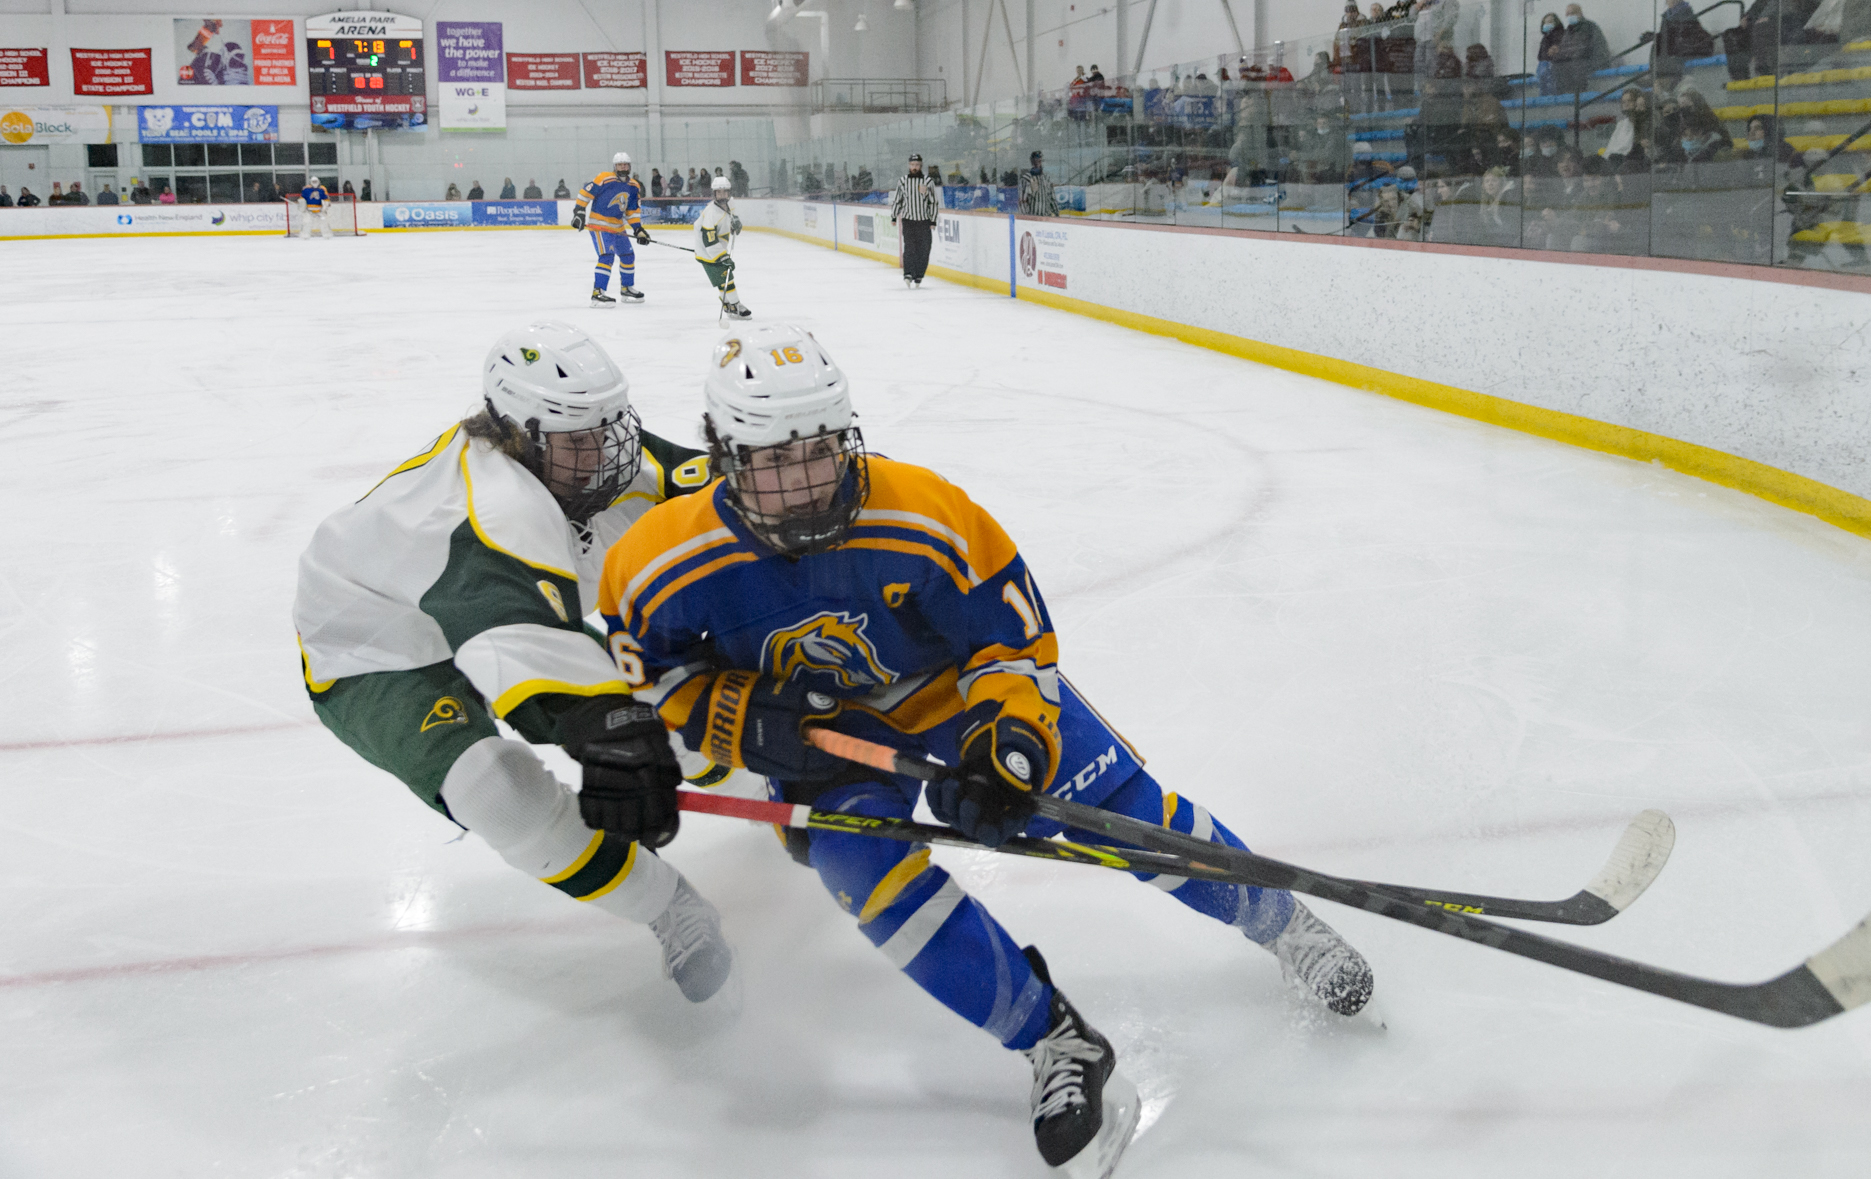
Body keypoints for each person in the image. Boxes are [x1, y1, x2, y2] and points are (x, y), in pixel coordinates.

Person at [597, 324, 1373, 1178]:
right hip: (828, 745)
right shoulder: (653, 560)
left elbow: (1013, 647)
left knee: (1121, 815)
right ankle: (1055, 1040)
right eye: (773, 460)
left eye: (819, 450)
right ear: (722, 452)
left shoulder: (928, 513)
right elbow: (655, 678)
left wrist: (1006, 748)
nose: (806, 481)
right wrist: (742, 720)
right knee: (866, 877)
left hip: (957, 701)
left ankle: (1285, 923)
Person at [294, 322, 734, 1007]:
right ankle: (669, 905)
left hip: (490, 603)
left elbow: (703, 485)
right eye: (580, 439)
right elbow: (529, 655)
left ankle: (765, 792)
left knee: (670, 701)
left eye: (607, 426)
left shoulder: (572, 456)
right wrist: (607, 727)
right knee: (494, 792)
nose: (606, 452)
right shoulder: (499, 512)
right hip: (377, 646)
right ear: (522, 435)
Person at [571, 152, 651, 306]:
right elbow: (584, 193)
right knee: (607, 256)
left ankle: (627, 288)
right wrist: (579, 212)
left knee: (628, 255)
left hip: (618, 227)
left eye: (626, 164)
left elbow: (632, 211)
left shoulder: (634, 186)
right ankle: (598, 293)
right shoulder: (604, 178)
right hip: (600, 225)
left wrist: (638, 229)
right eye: (620, 164)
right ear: (615, 166)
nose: (623, 167)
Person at [1741, 0, 1822, 77]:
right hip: (1768, 24)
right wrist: (1748, 17)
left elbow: (1808, 9)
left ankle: (1766, 72)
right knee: (1733, 35)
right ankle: (1740, 77)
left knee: (1764, 28)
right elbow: (1756, 8)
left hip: (1794, 24)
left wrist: (1771, 18)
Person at [694, 175, 752, 320]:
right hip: (708, 252)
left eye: (724, 192)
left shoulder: (730, 203)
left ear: (729, 192)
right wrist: (723, 257)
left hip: (717, 248)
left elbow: (731, 215)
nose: (722, 195)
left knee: (722, 278)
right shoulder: (711, 213)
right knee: (726, 277)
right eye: (718, 193)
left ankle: (727, 304)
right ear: (714, 194)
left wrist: (735, 222)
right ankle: (735, 305)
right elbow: (709, 241)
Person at [888, 152, 940, 287]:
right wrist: (894, 216)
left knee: (924, 249)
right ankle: (908, 273)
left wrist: (933, 220)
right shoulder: (903, 181)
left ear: (921, 165)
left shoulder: (928, 181)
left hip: (923, 221)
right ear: (908, 165)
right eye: (912, 165)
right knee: (910, 248)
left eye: (917, 164)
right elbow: (898, 200)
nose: (914, 167)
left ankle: (919, 275)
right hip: (908, 220)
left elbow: (933, 202)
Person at [1550, 4, 1610, 95]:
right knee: (1555, 66)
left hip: (1591, 61)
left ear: (1580, 13)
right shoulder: (1568, 31)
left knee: (1577, 66)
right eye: (1568, 14)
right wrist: (1557, 53)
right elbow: (1564, 49)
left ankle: (1578, 96)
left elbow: (1594, 48)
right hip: (1574, 62)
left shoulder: (1590, 27)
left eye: (1572, 13)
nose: (1570, 16)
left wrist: (1569, 54)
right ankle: (1563, 97)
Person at [1413, 0, 1459, 82]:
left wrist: (1440, 34)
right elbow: (1412, 14)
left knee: (1432, 66)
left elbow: (1451, 18)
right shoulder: (1429, 0)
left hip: (1436, 39)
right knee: (1419, 66)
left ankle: (1432, 90)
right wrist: (1422, 2)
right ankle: (1421, 89)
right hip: (1421, 39)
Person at [1019, 150, 1057, 217]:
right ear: (1031, 162)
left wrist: (1057, 214)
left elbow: (1052, 198)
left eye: (1039, 161)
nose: (1037, 163)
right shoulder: (1026, 179)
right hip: (1033, 218)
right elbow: (1022, 202)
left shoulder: (1047, 179)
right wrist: (1025, 218)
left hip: (1046, 218)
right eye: (1035, 161)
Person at [1535, 12, 1565, 94]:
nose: (1547, 24)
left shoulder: (1560, 34)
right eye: (1545, 22)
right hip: (1544, 65)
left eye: (1550, 22)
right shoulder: (1545, 37)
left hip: (1554, 66)